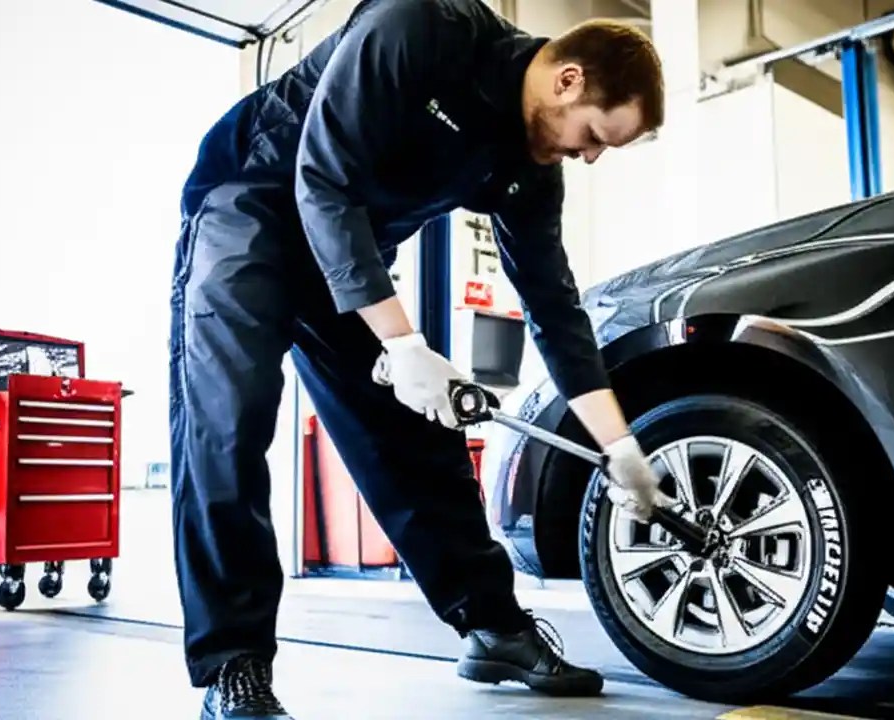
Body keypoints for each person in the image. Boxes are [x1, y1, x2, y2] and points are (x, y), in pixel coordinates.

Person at [169, 0, 670, 717]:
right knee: (228, 423)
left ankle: (492, 626)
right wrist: (405, 345)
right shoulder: (421, 27)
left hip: (350, 257)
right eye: (595, 135)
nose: (589, 156)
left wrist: (620, 448)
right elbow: (324, 179)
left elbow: (556, 314)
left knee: (414, 436)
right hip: (251, 206)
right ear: (567, 80)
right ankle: (234, 666)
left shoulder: (529, 169)